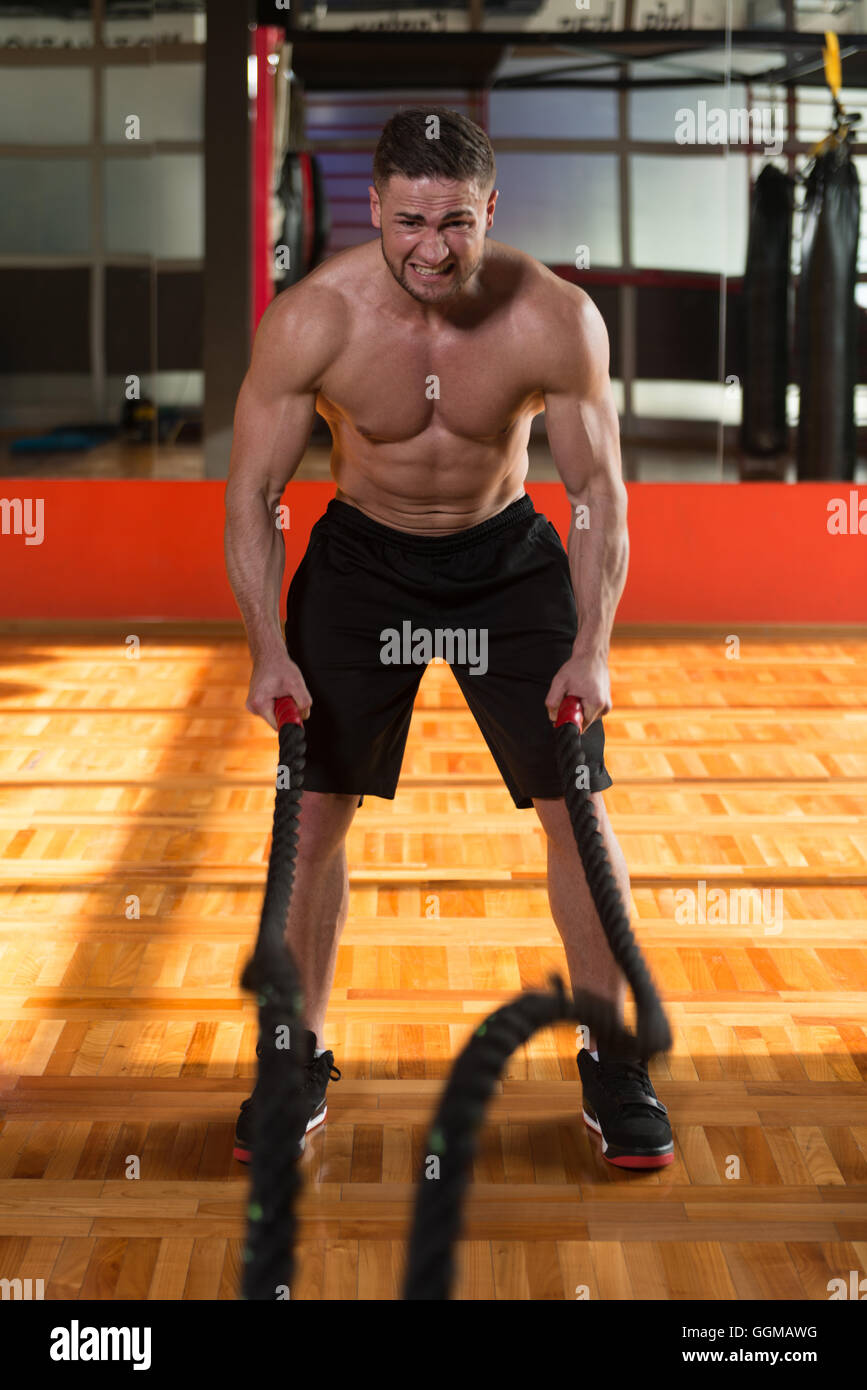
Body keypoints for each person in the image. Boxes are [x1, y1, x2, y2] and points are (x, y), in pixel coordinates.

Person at [224, 106, 673, 1169]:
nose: (434, 246)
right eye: (412, 219)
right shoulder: (312, 319)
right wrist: (266, 649)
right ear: (373, 205)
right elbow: (252, 491)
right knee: (315, 808)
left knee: (577, 805)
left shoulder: (553, 320)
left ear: (491, 209)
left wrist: (593, 644)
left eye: (458, 222)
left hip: (504, 561)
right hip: (361, 562)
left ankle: (614, 1058)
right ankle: (295, 1054)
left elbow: (597, 493)